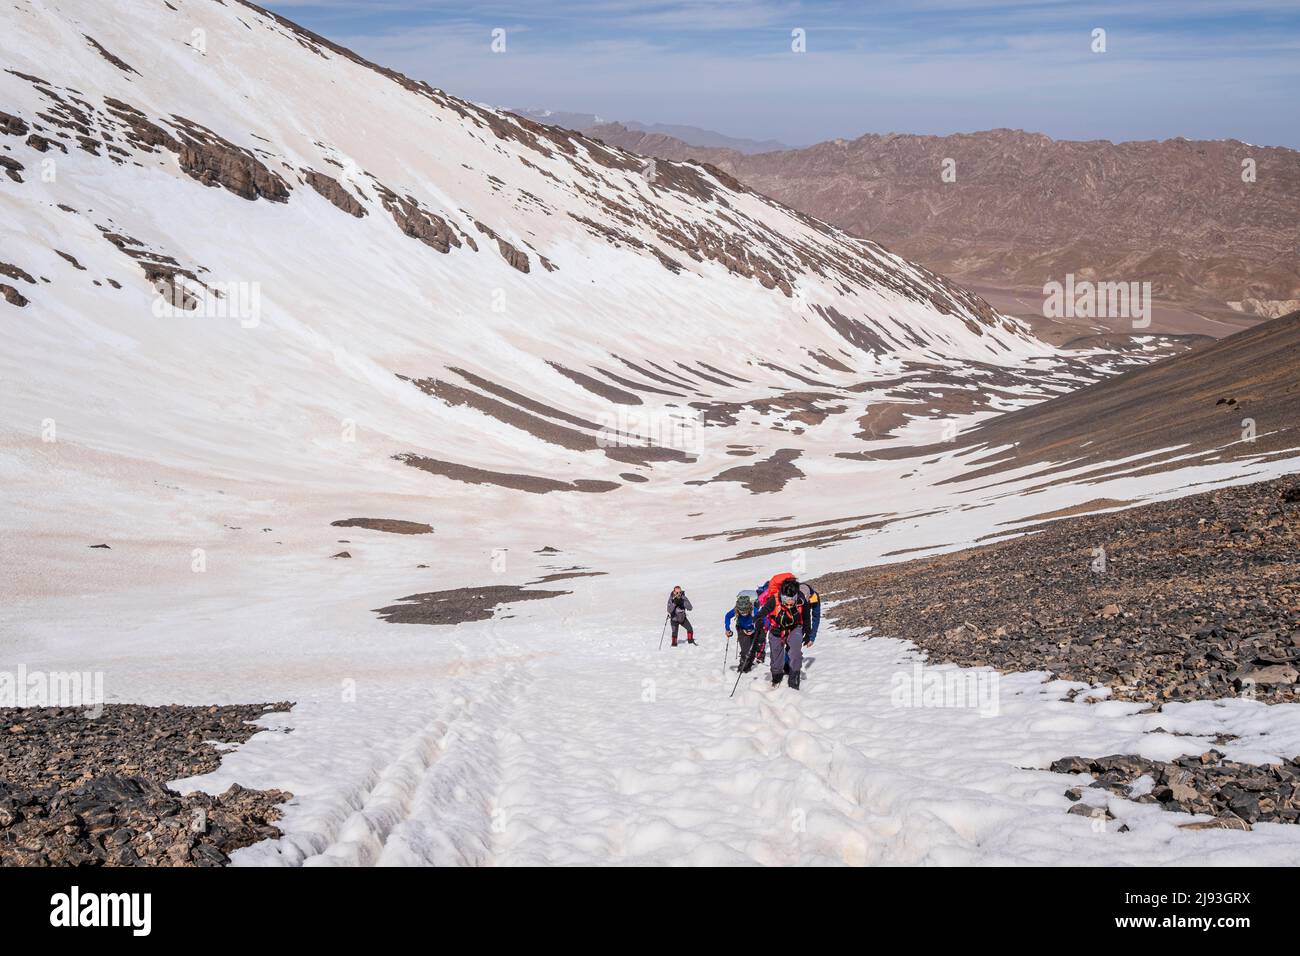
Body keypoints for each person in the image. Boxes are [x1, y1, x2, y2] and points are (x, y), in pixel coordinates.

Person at [755, 574, 810, 689]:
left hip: (794, 628)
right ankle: (776, 676)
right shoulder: (774, 599)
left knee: (795, 652)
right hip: (776, 629)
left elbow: (806, 616)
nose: (789, 605)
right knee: (776, 657)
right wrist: (758, 619)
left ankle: (794, 679)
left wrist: (807, 632)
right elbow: (762, 612)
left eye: (792, 601)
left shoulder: (801, 599)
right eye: (786, 601)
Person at [724, 589, 760, 671]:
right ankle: (742, 668)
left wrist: (754, 630)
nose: (743, 614)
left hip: (752, 629)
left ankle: (749, 664)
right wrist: (727, 629)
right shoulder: (736, 609)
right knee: (745, 650)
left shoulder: (754, 610)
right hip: (741, 629)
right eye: (741, 612)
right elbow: (727, 616)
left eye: (745, 612)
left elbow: (761, 621)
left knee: (753, 649)